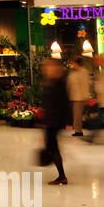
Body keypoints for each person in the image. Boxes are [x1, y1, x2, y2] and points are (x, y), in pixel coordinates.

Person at [40, 57, 70, 185]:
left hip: (55, 120)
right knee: (52, 147)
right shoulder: (51, 82)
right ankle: (61, 175)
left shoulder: (59, 83)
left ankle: (62, 176)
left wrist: (67, 121)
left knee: (53, 148)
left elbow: (63, 103)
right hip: (52, 120)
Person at [67, 56, 92, 137]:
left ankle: (78, 131)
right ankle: (78, 130)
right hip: (75, 97)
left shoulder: (83, 72)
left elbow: (85, 85)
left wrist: (85, 97)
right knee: (76, 115)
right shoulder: (73, 73)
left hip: (80, 97)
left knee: (78, 115)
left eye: (73, 63)